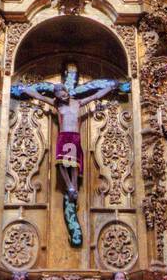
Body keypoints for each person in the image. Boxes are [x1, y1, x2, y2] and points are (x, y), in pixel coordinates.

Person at [11, 65, 127, 246]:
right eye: (57, 94)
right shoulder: (57, 105)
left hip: (75, 137)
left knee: (74, 164)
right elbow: (41, 96)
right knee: (62, 164)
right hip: (64, 136)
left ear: (66, 91)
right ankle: (70, 187)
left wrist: (110, 88)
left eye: (62, 92)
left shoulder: (77, 103)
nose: (61, 95)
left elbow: (95, 96)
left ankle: (73, 186)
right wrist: (26, 90)